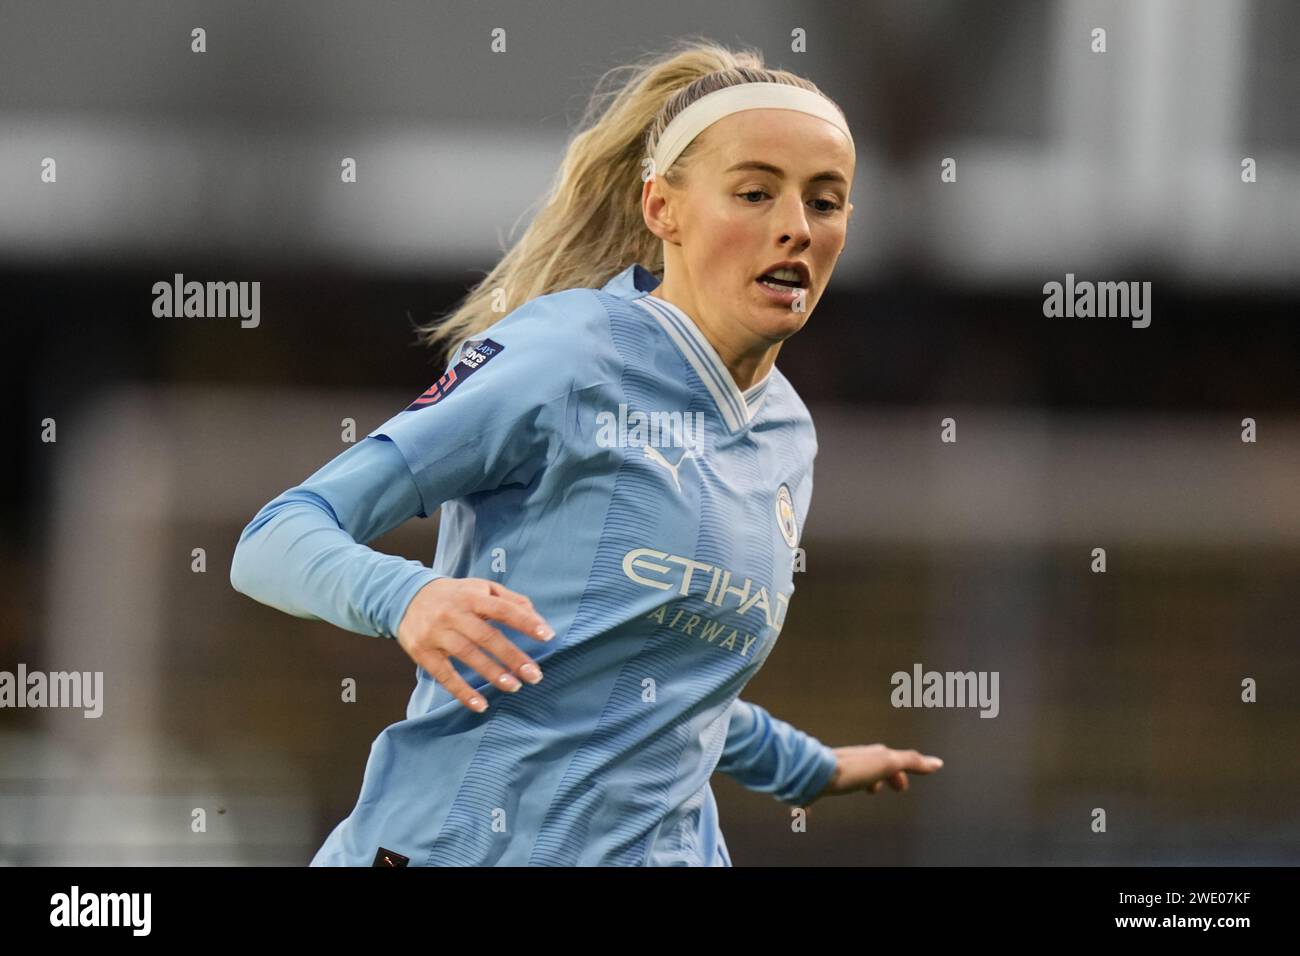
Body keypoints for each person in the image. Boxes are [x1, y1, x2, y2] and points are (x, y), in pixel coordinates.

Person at [230, 39, 942, 867]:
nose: (795, 227)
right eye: (754, 193)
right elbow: (274, 538)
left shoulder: (787, 433)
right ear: (661, 208)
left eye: (827, 202)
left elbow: (662, 677)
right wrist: (409, 597)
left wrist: (806, 768)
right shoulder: (565, 358)